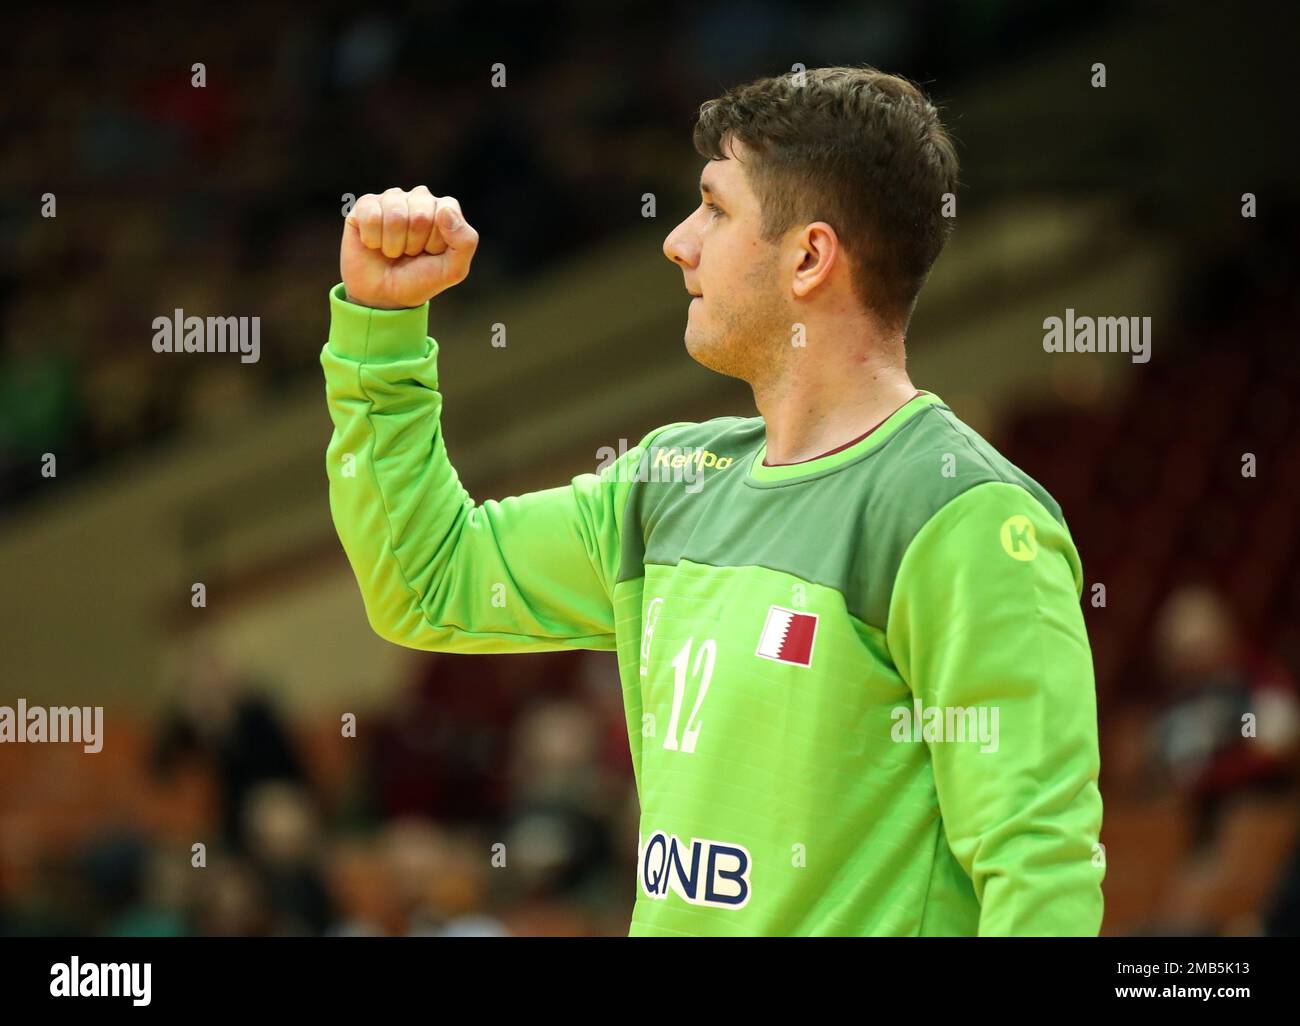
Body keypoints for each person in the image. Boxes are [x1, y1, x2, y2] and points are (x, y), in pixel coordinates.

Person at [320, 66, 1104, 936]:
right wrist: (380, 329)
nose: (678, 242)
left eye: (715, 209)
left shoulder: (963, 514)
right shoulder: (671, 479)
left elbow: (1039, 869)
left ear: (809, 257)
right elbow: (427, 581)